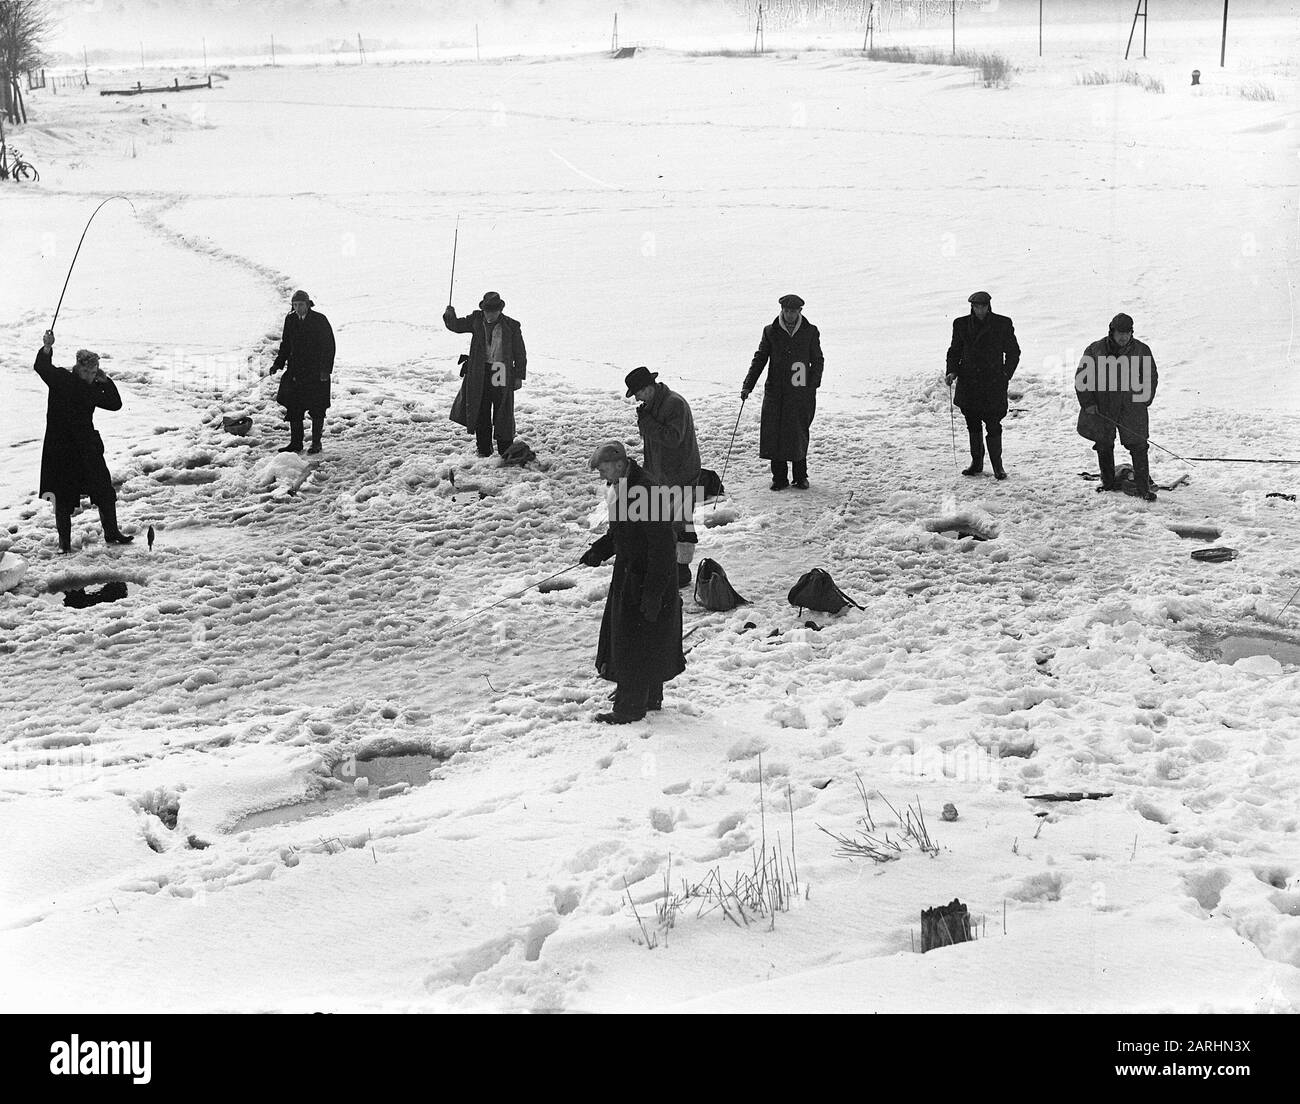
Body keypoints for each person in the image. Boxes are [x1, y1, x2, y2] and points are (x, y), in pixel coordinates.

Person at [579, 440, 686, 724]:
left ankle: (629, 707)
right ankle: (648, 696)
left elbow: (662, 545)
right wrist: (599, 551)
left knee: (632, 639)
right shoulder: (625, 486)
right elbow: (623, 532)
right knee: (646, 636)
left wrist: (653, 592)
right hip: (634, 571)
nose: (601, 476)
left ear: (618, 464)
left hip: (648, 574)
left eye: (602, 469)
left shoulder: (644, 490)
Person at [34, 330, 133, 553]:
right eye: (87, 370)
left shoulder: (94, 387)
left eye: (94, 371)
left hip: (87, 446)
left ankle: (112, 532)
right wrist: (47, 347)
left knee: (105, 490)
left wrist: (105, 381)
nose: (90, 375)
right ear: (77, 367)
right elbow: (42, 367)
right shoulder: (61, 379)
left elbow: (115, 404)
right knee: (63, 497)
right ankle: (64, 545)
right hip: (61, 448)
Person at [626, 365, 701, 588]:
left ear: (648, 388)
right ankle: (670, 566)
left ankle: (682, 570)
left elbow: (672, 438)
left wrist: (647, 423)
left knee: (681, 522)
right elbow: (653, 444)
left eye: (637, 392)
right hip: (661, 474)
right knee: (665, 521)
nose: (636, 398)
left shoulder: (674, 404)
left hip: (680, 473)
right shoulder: (653, 405)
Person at [742, 293, 824, 490]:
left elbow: (818, 359)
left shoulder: (810, 331)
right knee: (774, 432)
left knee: (797, 431)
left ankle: (800, 476)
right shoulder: (771, 331)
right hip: (775, 391)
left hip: (800, 390)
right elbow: (760, 358)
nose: (789, 315)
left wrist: (811, 385)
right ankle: (779, 478)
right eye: (786, 311)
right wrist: (748, 385)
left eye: (793, 311)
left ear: (800, 312)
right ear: (782, 310)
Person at [1076, 312, 1159, 501]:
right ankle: (1107, 482)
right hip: (1104, 405)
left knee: (1139, 445)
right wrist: (1088, 403)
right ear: (1111, 332)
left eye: (1127, 332)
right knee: (1104, 443)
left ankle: (1143, 487)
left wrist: (1146, 399)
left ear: (1132, 332)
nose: (1123, 337)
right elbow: (1082, 379)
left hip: (1132, 406)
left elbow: (1150, 377)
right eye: (1120, 332)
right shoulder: (1095, 349)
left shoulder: (1142, 350)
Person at [945, 290, 1020, 479]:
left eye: (983, 306)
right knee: (972, 423)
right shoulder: (961, 324)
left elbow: (1013, 352)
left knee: (994, 424)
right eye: (977, 306)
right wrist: (952, 371)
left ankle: (998, 466)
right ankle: (976, 463)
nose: (980, 310)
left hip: (993, 384)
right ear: (972, 306)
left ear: (989, 306)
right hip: (969, 383)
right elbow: (954, 351)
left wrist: (1005, 374)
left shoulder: (1002, 324)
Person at [445, 291, 527, 458]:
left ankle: (505, 448)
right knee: (481, 409)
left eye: (493, 312)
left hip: (499, 370)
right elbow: (456, 326)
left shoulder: (511, 326)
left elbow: (520, 353)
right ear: (483, 310)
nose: (490, 315)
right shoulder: (476, 320)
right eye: (487, 311)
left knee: (502, 410)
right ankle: (483, 449)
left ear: (499, 311)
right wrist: (449, 315)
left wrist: (519, 376)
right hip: (480, 370)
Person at [269, 290, 336, 455]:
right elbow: (286, 345)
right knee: (294, 406)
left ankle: (316, 443)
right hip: (296, 372)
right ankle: (296, 443)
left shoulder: (319, 320)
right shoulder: (290, 319)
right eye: (295, 305)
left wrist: (325, 370)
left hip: (316, 372)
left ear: (308, 304)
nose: (298, 308)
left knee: (317, 407)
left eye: (301, 304)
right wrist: (278, 363)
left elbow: (329, 347)